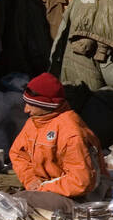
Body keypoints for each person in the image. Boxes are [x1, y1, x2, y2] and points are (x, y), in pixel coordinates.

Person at [9, 72, 106, 212]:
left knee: (20, 203)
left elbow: (81, 182)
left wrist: (43, 187)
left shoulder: (71, 134)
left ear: (47, 105)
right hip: (49, 187)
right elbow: (18, 153)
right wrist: (30, 180)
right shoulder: (36, 121)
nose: (26, 109)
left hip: (80, 197)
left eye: (31, 105)